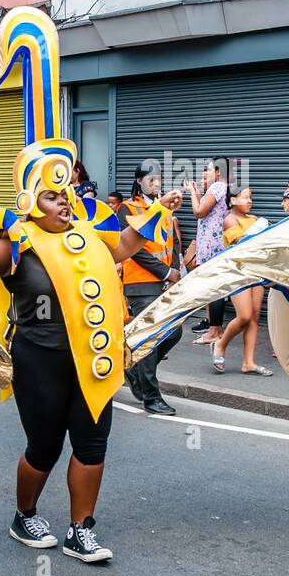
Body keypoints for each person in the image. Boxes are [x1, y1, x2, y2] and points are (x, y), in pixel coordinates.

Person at [0, 156, 183, 564]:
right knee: (44, 446)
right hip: (39, 359)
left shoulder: (89, 237)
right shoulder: (17, 242)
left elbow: (126, 246)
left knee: (93, 445)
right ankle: (25, 516)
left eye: (66, 194)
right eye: (52, 196)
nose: (64, 202)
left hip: (92, 360)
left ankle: (81, 529)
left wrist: (161, 209)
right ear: (31, 202)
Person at [120, 163, 184, 414]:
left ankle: (134, 369)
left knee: (173, 333)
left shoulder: (164, 208)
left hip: (165, 282)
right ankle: (151, 396)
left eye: (159, 179)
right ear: (139, 181)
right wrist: (166, 272)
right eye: (151, 179)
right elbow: (132, 249)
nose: (156, 183)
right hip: (140, 283)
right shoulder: (129, 207)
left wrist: (174, 272)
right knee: (150, 338)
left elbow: (174, 242)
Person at [212, 186, 272, 376]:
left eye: (250, 198)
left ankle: (248, 363)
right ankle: (220, 344)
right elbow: (242, 242)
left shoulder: (254, 220)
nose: (249, 201)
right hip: (237, 273)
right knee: (244, 316)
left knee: (254, 316)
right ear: (232, 201)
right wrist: (261, 230)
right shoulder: (230, 220)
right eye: (245, 197)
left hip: (255, 272)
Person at [186, 157, 231, 346]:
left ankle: (214, 331)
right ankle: (214, 328)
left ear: (218, 172)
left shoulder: (217, 187)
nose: (205, 173)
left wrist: (191, 192)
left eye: (209, 170)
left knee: (213, 288)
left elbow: (199, 212)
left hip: (212, 245)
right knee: (213, 288)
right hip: (218, 244)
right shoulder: (227, 188)